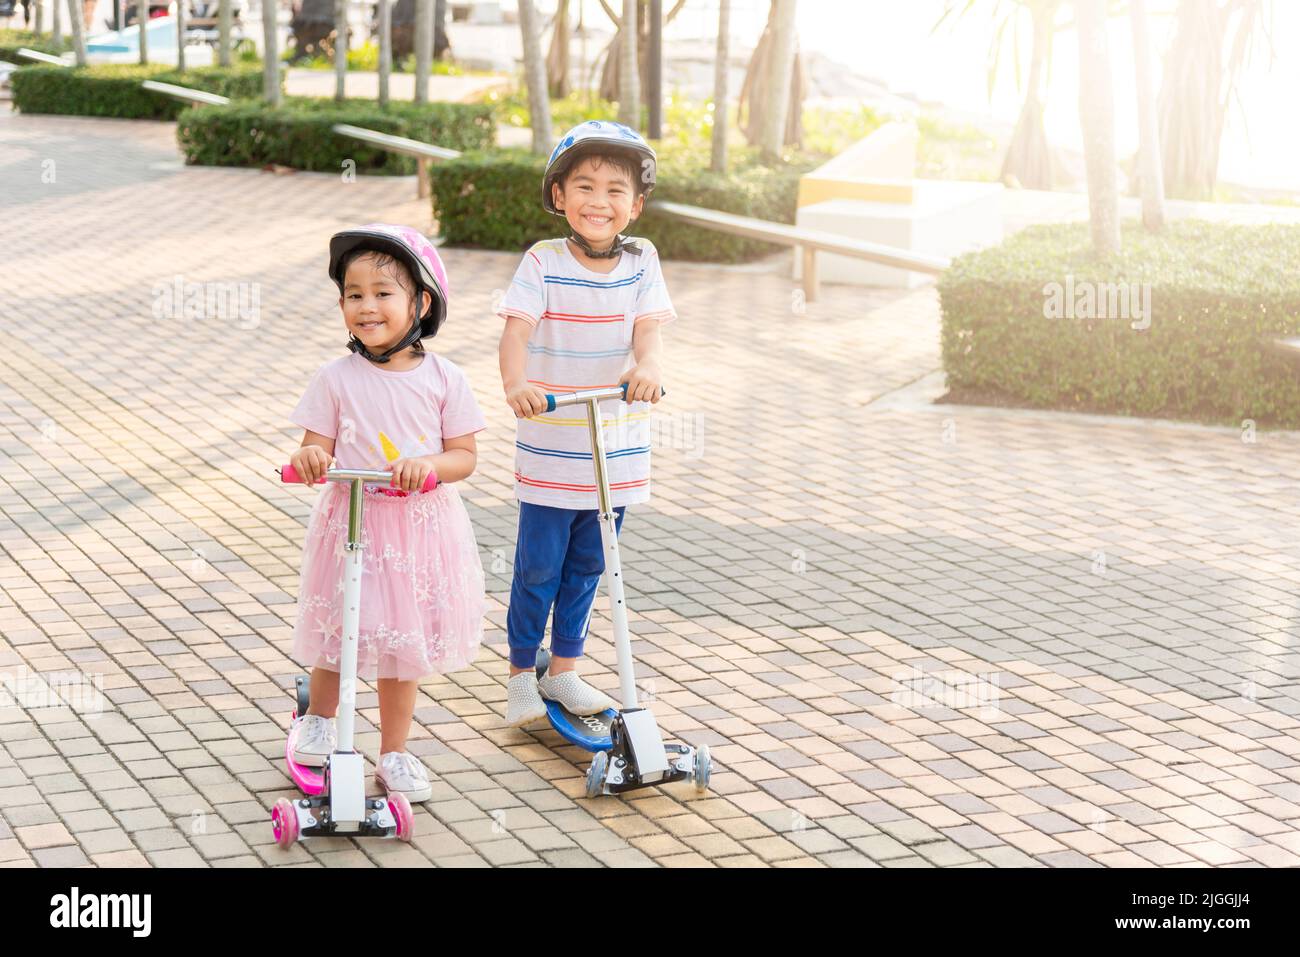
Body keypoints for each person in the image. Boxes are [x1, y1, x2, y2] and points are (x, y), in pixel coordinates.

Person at [285, 223, 486, 802]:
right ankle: (319, 720)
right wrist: (310, 457)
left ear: (420, 303)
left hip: (418, 529)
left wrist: (429, 464)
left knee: (403, 644)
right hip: (352, 520)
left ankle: (394, 751)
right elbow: (313, 448)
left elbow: (464, 457)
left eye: (383, 292)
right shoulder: (336, 377)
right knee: (338, 628)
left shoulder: (446, 378)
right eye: (354, 294)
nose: (366, 306)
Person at [496, 120, 676, 727]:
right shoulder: (542, 260)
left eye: (615, 190)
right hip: (552, 440)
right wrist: (518, 385)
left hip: (614, 443)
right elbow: (516, 329)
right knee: (539, 565)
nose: (599, 201)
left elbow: (648, 332)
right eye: (585, 187)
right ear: (559, 196)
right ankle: (523, 675)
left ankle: (565, 670)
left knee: (592, 566)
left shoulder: (642, 258)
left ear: (637, 203)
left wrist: (647, 369)